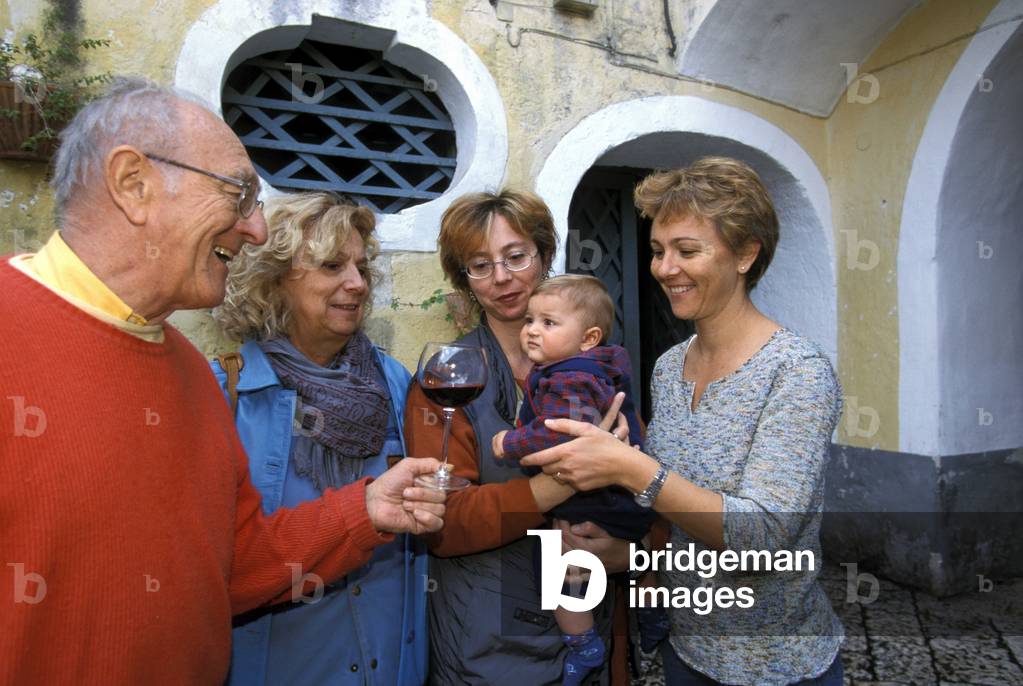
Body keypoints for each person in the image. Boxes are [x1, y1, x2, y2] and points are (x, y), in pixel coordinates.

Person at [0, 78, 445, 685]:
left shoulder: (186, 371)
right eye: (240, 195)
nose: (256, 229)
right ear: (134, 184)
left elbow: (226, 568)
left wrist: (363, 510)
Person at [521, 158, 845, 686]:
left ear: (746, 254)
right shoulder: (670, 366)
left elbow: (763, 536)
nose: (665, 268)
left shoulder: (796, 372)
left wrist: (630, 469)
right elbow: (676, 518)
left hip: (777, 664)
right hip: (685, 650)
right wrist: (627, 551)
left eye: (687, 251)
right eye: (658, 250)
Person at [404, 189, 634, 685]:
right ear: (464, 279)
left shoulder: (600, 366)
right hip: (489, 648)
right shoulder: (444, 378)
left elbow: (647, 484)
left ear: (545, 256)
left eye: (516, 256)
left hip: (592, 625)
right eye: (480, 265)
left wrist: (630, 552)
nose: (502, 277)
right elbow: (444, 524)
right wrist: (563, 480)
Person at [210, 191, 428, 684]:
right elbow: (210, 570)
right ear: (275, 281)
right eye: (332, 266)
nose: (357, 283)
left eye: (361, 268)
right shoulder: (224, 395)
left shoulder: (395, 383)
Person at [490, 274, 668, 685]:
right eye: (530, 320)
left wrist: (509, 442)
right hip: (626, 496)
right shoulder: (593, 368)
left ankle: (583, 644)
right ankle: (653, 613)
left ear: (589, 338)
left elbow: (560, 431)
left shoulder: (570, 378)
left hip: (596, 495)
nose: (532, 330)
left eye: (549, 323)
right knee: (630, 553)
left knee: (557, 563)